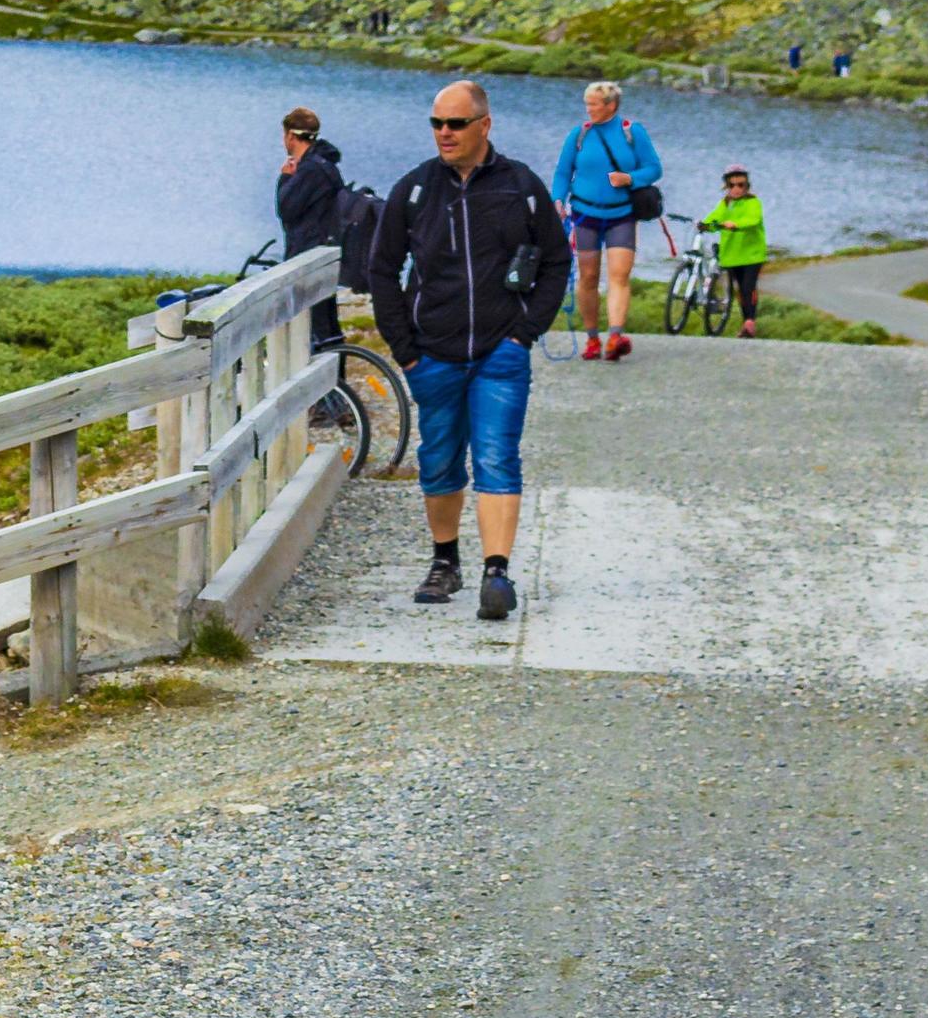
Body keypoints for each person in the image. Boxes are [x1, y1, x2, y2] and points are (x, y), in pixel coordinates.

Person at [369, 80, 571, 621]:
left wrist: (524, 332)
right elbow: (381, 271)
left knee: (497, 457)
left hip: (500, 354)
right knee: (438, 460)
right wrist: (404, 349)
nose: (444, 133)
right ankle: (445, 562)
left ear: (484, 124)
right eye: (436, 123)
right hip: (432, 354)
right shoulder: (413, 191)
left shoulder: (521, 187)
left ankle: (496, 573)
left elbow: (556, 261)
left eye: (455, 123)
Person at [552, 80, 661, 361]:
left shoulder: (631, 132)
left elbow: (654, 168)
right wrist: (557, 200)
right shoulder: (579, 135)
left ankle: (614, 336)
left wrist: (630, 178)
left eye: (594, 104)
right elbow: (563, 172)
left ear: (611, 105)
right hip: (585, 215)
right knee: (588, 277)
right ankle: (591, 339)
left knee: (619, 276)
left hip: (622, 215)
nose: (588, 109)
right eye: (587, 103)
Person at [274, 106, 347, 351]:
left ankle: (330, 382)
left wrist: (285, 179)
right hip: (324, 250)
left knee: (317, 328)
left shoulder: (310, 170)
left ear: (291, 136)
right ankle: (335, 382)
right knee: (324, 323)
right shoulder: (325, 164)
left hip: (309, 256)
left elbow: (286, 210)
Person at [702, 165, 769, 338]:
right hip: (732, 255)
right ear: (727, 186)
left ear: (747, 185)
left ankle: (750, 322)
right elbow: (713, 218)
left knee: (748, 287)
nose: (736, 189)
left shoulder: (753, 202)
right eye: (732, 185)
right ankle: (746, 322)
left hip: (752, 254)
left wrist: (736, 225)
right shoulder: (725, 204)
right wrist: (705, 225)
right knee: (740, 290)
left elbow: (753, 220)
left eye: (741, 185)